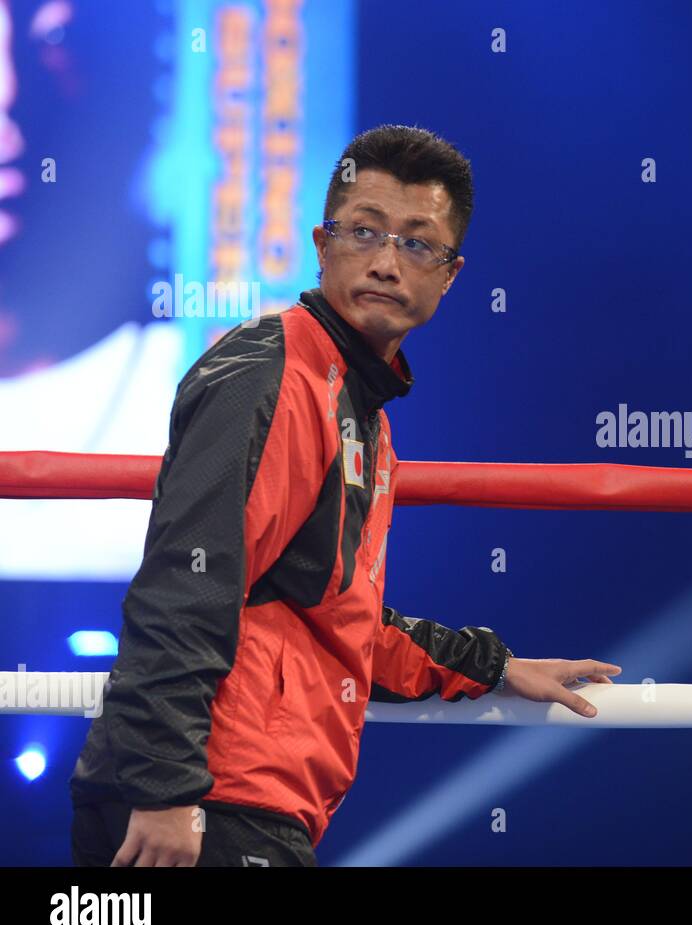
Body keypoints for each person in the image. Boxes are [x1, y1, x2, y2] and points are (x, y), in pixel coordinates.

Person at [69, 124, 621, 867]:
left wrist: (491, 667)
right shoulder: (272, 375)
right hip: (208, 802)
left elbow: (336, 618)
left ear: (451, 274)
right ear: (322, 244)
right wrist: (168, 791)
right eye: (365, 232)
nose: (387, 263)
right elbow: (184, 583)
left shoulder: (358, 409)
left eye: (417, 243)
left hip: (245, 800)